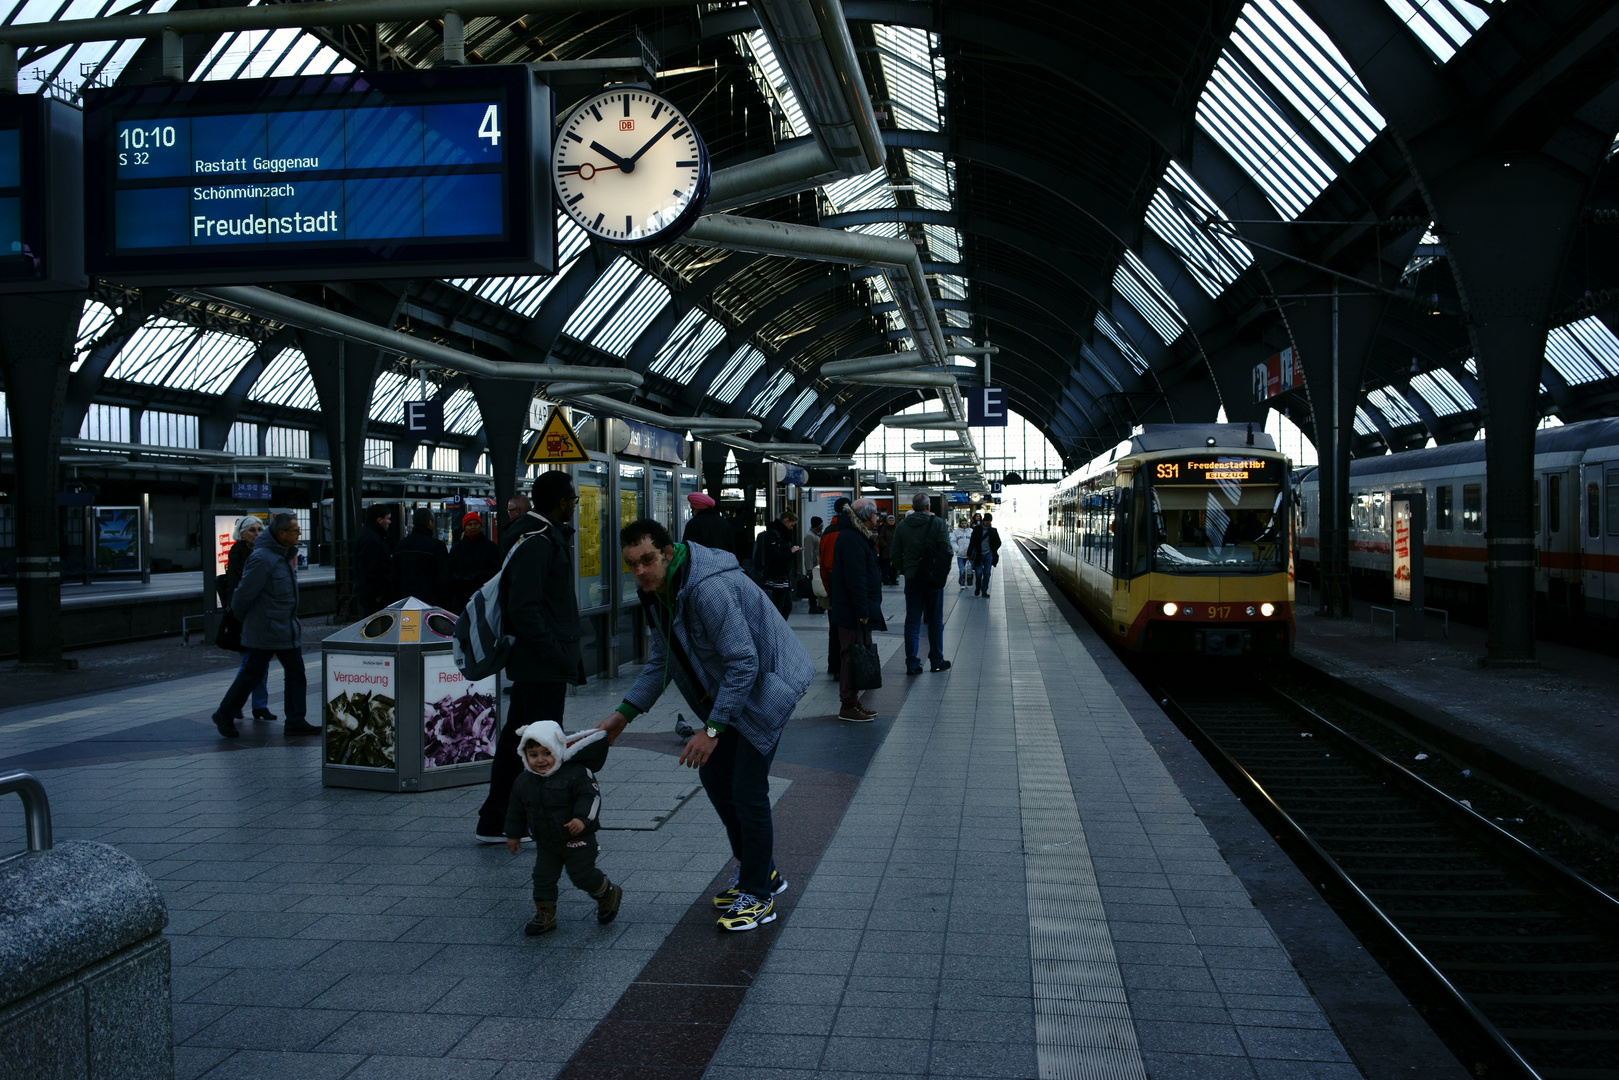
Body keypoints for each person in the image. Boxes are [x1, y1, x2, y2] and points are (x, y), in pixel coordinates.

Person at [597, 518, 815, 932]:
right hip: (733, 697)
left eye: (647, 560)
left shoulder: (705, 589)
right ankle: (762, 872)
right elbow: (662, 659)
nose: (640, 571)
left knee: (747, 791)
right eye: (632, 564)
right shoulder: (658, 591)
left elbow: (743, 660)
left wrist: (712, 730)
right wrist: (623, 714)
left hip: (767, 689)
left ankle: (759, 896)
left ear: (666, 551)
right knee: (717, 780)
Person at [475, 470, 586, 844]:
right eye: (573, 499)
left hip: (538, 661)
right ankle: (524, 819)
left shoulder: (542, 537)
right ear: (560, 502)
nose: (574, 505)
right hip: (541, 663)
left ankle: (498, 818)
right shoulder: (538, 542)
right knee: (540, 743)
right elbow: (524, 608)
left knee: (519, 741)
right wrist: (555, 653)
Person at [504, 721, 621, 935]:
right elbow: (516, 809)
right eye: (533, 754)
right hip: (547, 842)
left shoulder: (576, 773)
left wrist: (582, 819)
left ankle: (607, 892)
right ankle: (545, 913)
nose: (540, 760)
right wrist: (513, 834)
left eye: (546, 752)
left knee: (581, 876)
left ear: (558, 749)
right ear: (524, 755)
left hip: (578, 839)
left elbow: (590, 797)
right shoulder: (524, 781)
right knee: (542, 877)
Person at [211, 513, 320, 739]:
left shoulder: (282, 555)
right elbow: (241, 597)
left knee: (295, 674)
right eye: (295, 530)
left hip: (285, 628)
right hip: (264, 629)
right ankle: (224, 713)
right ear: (282, 534)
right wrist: (255, 620)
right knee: (252, 673)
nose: (299, 533)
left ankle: (295, 721)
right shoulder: (263, 558)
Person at [830, 499, 885, 722]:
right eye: (876, 515)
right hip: (852, 610)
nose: (878, 519)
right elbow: (856, 578)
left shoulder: (856, 535)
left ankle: (853, 701)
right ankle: (848, 705)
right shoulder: (852, 538)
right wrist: (863, 610)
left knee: (856, 653)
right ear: (868, 516)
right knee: (851, 655)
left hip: (855, 608)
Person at [890, 493, 953, 675]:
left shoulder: (902, 526)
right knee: (935, 621)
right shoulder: (938, 523)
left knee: (912, 621)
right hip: (933, 579)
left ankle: (912, 664)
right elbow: (947, 551)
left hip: (912, 579)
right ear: (928, 507)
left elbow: (895, 554)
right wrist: (941, 573)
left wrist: (906, 570)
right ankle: (936, 661)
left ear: (913, 506)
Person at [222, 516, 275, 724]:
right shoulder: (238, 553)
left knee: (259, 663)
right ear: (242, 534)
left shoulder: (263, 552)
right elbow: (239, 587)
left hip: (260, 613)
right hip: (246, 616)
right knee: (250, 663)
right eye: (252, 530)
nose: (257, 534)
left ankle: (258, 705)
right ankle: (238, 704)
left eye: (260, 529)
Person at [393, 507, 450, 608]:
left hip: (406, 601)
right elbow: (444, 577)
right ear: (430, 523)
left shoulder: (400, 546)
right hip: (431, 601)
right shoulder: (437, 546)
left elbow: (395, 576)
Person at [819, 497, 851, 676]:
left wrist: (827, 588)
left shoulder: (827, 532)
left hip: (831, 579)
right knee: (848, 626)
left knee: (834, 625)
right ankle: (847, 667)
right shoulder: (850, 530)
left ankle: (834, 666)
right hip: (846, 579)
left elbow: (822, 563)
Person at [448, 512, 502, 612]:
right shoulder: (456, 549)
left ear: (480, 526)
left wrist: (478, 577)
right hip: (461, 596)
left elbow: (496, 570)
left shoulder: (490, 547)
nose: (473, 527)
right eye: (469, 524)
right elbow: (450, 570)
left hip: (484, 594)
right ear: (464, 527)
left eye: (476, 524)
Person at [755, 510, 801, 620]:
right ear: (786, 521)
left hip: (782, 576)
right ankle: (778, 628)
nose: (791, 528)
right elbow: (776, 555)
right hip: (776, 576)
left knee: (786, 605)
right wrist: (791, 551)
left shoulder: (780, 534)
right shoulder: (774, 534)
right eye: (791, 524)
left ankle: (780, 628)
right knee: (780, 605)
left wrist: (791, 551)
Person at [354, 502, 395, 615]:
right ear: (379, 520)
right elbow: (368, 569)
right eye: (388, 518)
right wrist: (377, 595)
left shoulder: (370, 535)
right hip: (375, 598)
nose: (390, 522)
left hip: (372, 595)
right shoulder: (371, 539)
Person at [501, 489, 548, 556]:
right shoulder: (541, 528)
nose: (508, 514)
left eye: (509, 511)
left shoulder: (512, 534)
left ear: (516, 512)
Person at [968, 512, 1003, 598]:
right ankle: (978, 587)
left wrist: (992, 550)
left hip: (988, 554)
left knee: (987, 573)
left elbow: (998, 542)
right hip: (978, 554)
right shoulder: (977, 529)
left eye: (990, 521)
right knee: (979, 573)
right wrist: (968, 554)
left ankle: (984, 591)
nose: (988, 522)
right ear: (983, 521)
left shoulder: (993, 531)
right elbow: (972, 542)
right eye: (987, 520)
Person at [804, 516, 824, 615]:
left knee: (817, 585)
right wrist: (809, 568)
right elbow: (808, 553)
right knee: (812, 587)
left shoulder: (817, 535)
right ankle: (813, 606)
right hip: (813, 566)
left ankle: (818, 605)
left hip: (818, 565)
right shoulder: (810, 536)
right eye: (821, 524)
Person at [949, 515, 973, 589]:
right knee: (961, 569)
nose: (964, 525)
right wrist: (957, 549)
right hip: (960, 554)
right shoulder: (956, 532)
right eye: (962, 523)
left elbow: (973, 541)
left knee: (968, 570)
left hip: (969, 555)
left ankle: (966, 581)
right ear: (960, 524)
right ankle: (961, 582)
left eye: (965, 523)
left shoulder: (971, 531)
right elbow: (953, 541)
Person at [875, 513, 897, 586]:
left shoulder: (896, 528)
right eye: (890, 520)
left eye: (892, 520)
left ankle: (894, 579)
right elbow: (881, 538)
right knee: (886, 566)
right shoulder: (884, 529)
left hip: (894, 550)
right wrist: (885, 545)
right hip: (886, 550)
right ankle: (886, 580)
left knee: (894, 566)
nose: (891, 521)